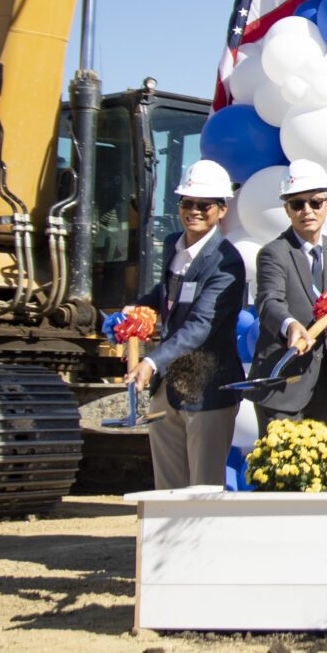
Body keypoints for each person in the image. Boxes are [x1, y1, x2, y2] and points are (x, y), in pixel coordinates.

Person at [127, 158, 246, 488]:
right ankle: (164, 544)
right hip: (167, 389)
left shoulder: (227, 262)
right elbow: (166, 295)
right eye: (187, 203)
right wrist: (131, 313)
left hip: (207, 391)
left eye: (204, 205)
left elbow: (200, 325)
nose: (193, 211)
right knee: (167, 487)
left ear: (221, 210)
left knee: (202, 492)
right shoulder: (172, 246)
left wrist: (151, 360)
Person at [251, 159, 327, 428]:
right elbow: (268, 301)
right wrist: (291, 326)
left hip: (322, 386)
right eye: (297, 204)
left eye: (315, 202)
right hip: (282, 386)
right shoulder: (274, 253)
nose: (307, 210)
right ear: (287, 209)